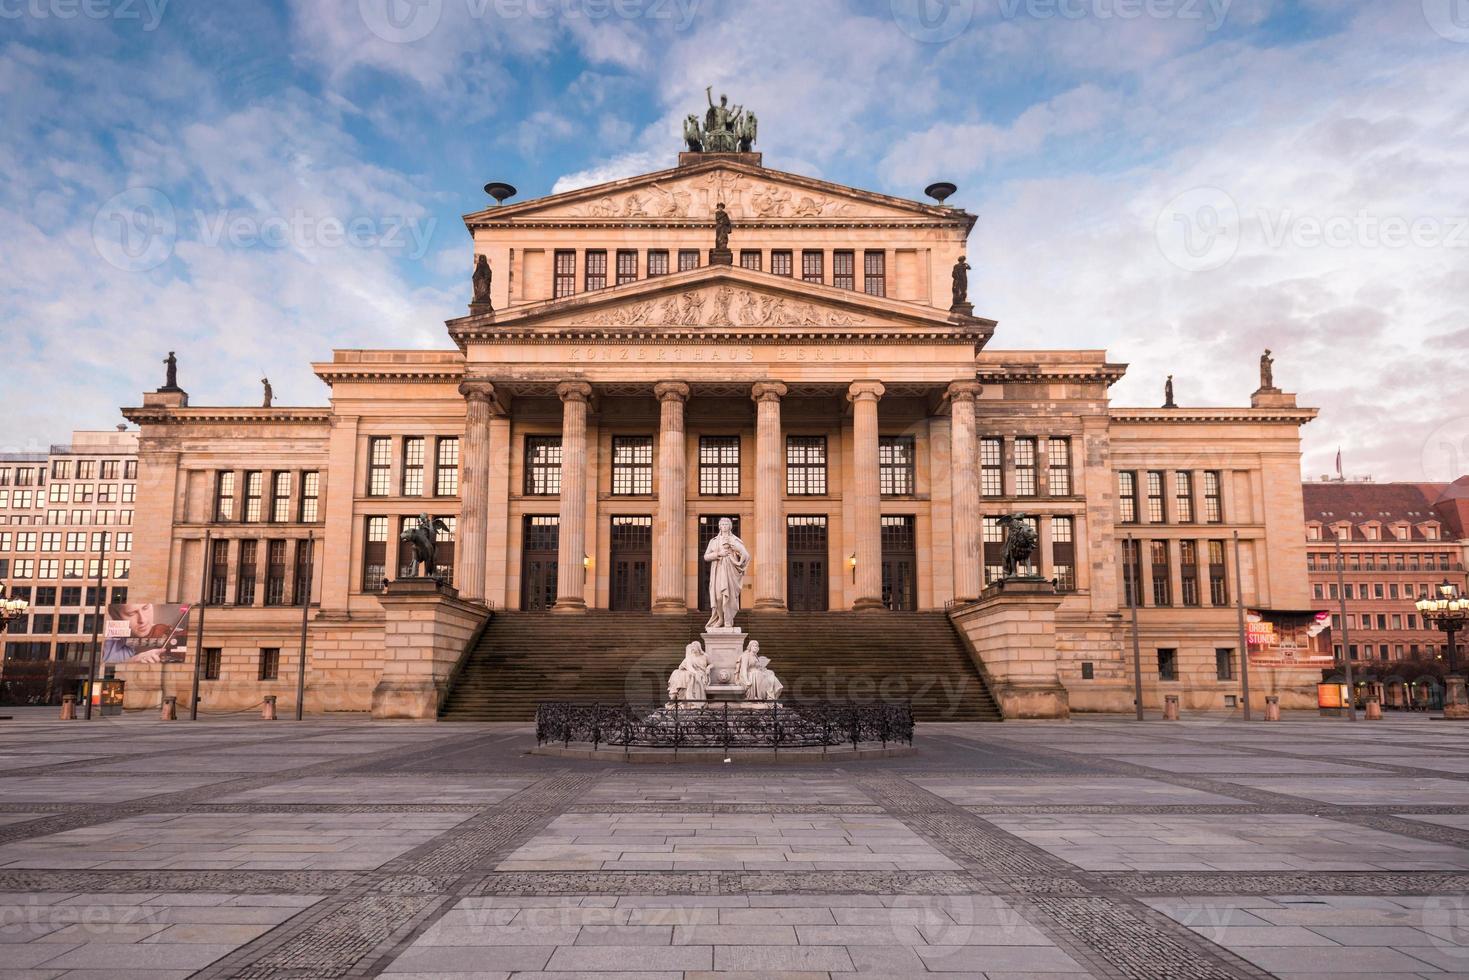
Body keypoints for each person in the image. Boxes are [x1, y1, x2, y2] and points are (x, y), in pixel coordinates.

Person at [703, 517, 749, 629]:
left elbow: (746, 555)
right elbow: (706, 556)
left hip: (730, 571)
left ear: (730, 526)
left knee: (729, 597)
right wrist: (718, 554)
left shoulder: (735, 540)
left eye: (726, 524)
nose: (724, 526)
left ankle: (728, 620)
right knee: (718, 597)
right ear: (719, 526)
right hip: (718, 570)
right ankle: (720, 619)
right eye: (722, 524)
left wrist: (736, 549)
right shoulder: (713, 541)